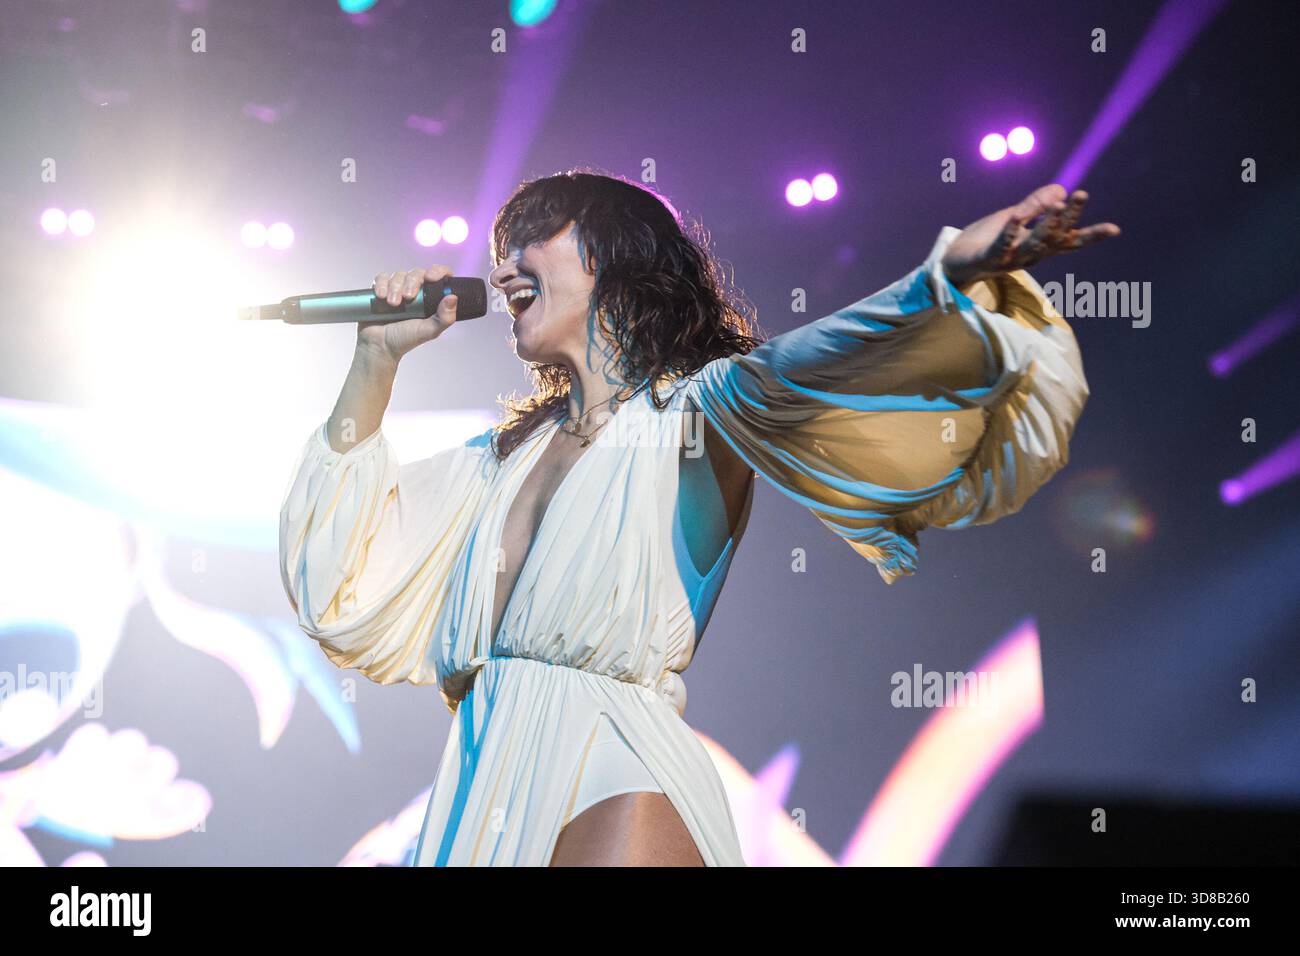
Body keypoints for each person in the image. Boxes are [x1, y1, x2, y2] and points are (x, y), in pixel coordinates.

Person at [278, 170, 1118, 866]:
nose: (503, 270)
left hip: (611, 759)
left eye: (533, 239)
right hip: (485, 767)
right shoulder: (505, 458)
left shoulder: (694, 410)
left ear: (613, 257)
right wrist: (374, 360)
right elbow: (338, 575)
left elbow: (828, 352)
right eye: (500, 253)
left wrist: (955, 266)